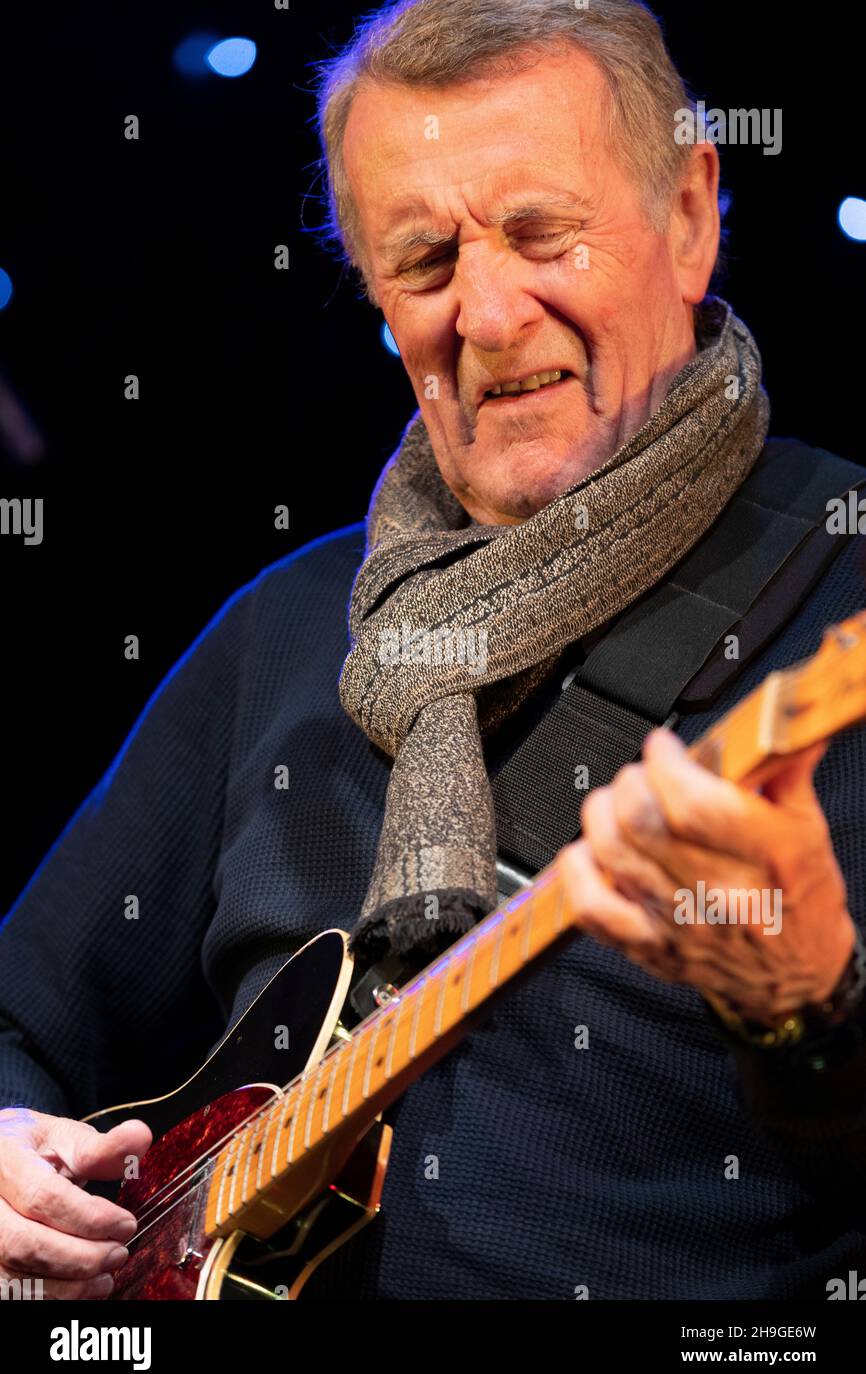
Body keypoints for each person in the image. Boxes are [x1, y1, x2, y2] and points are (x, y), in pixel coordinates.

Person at [1, 0, 865, 1301]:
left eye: (538, 233)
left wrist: (811, 1008)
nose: (489, 311)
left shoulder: (840, 577)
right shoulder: (286, 626)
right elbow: (20, 1012)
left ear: (690, 215)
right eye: (422, 260)